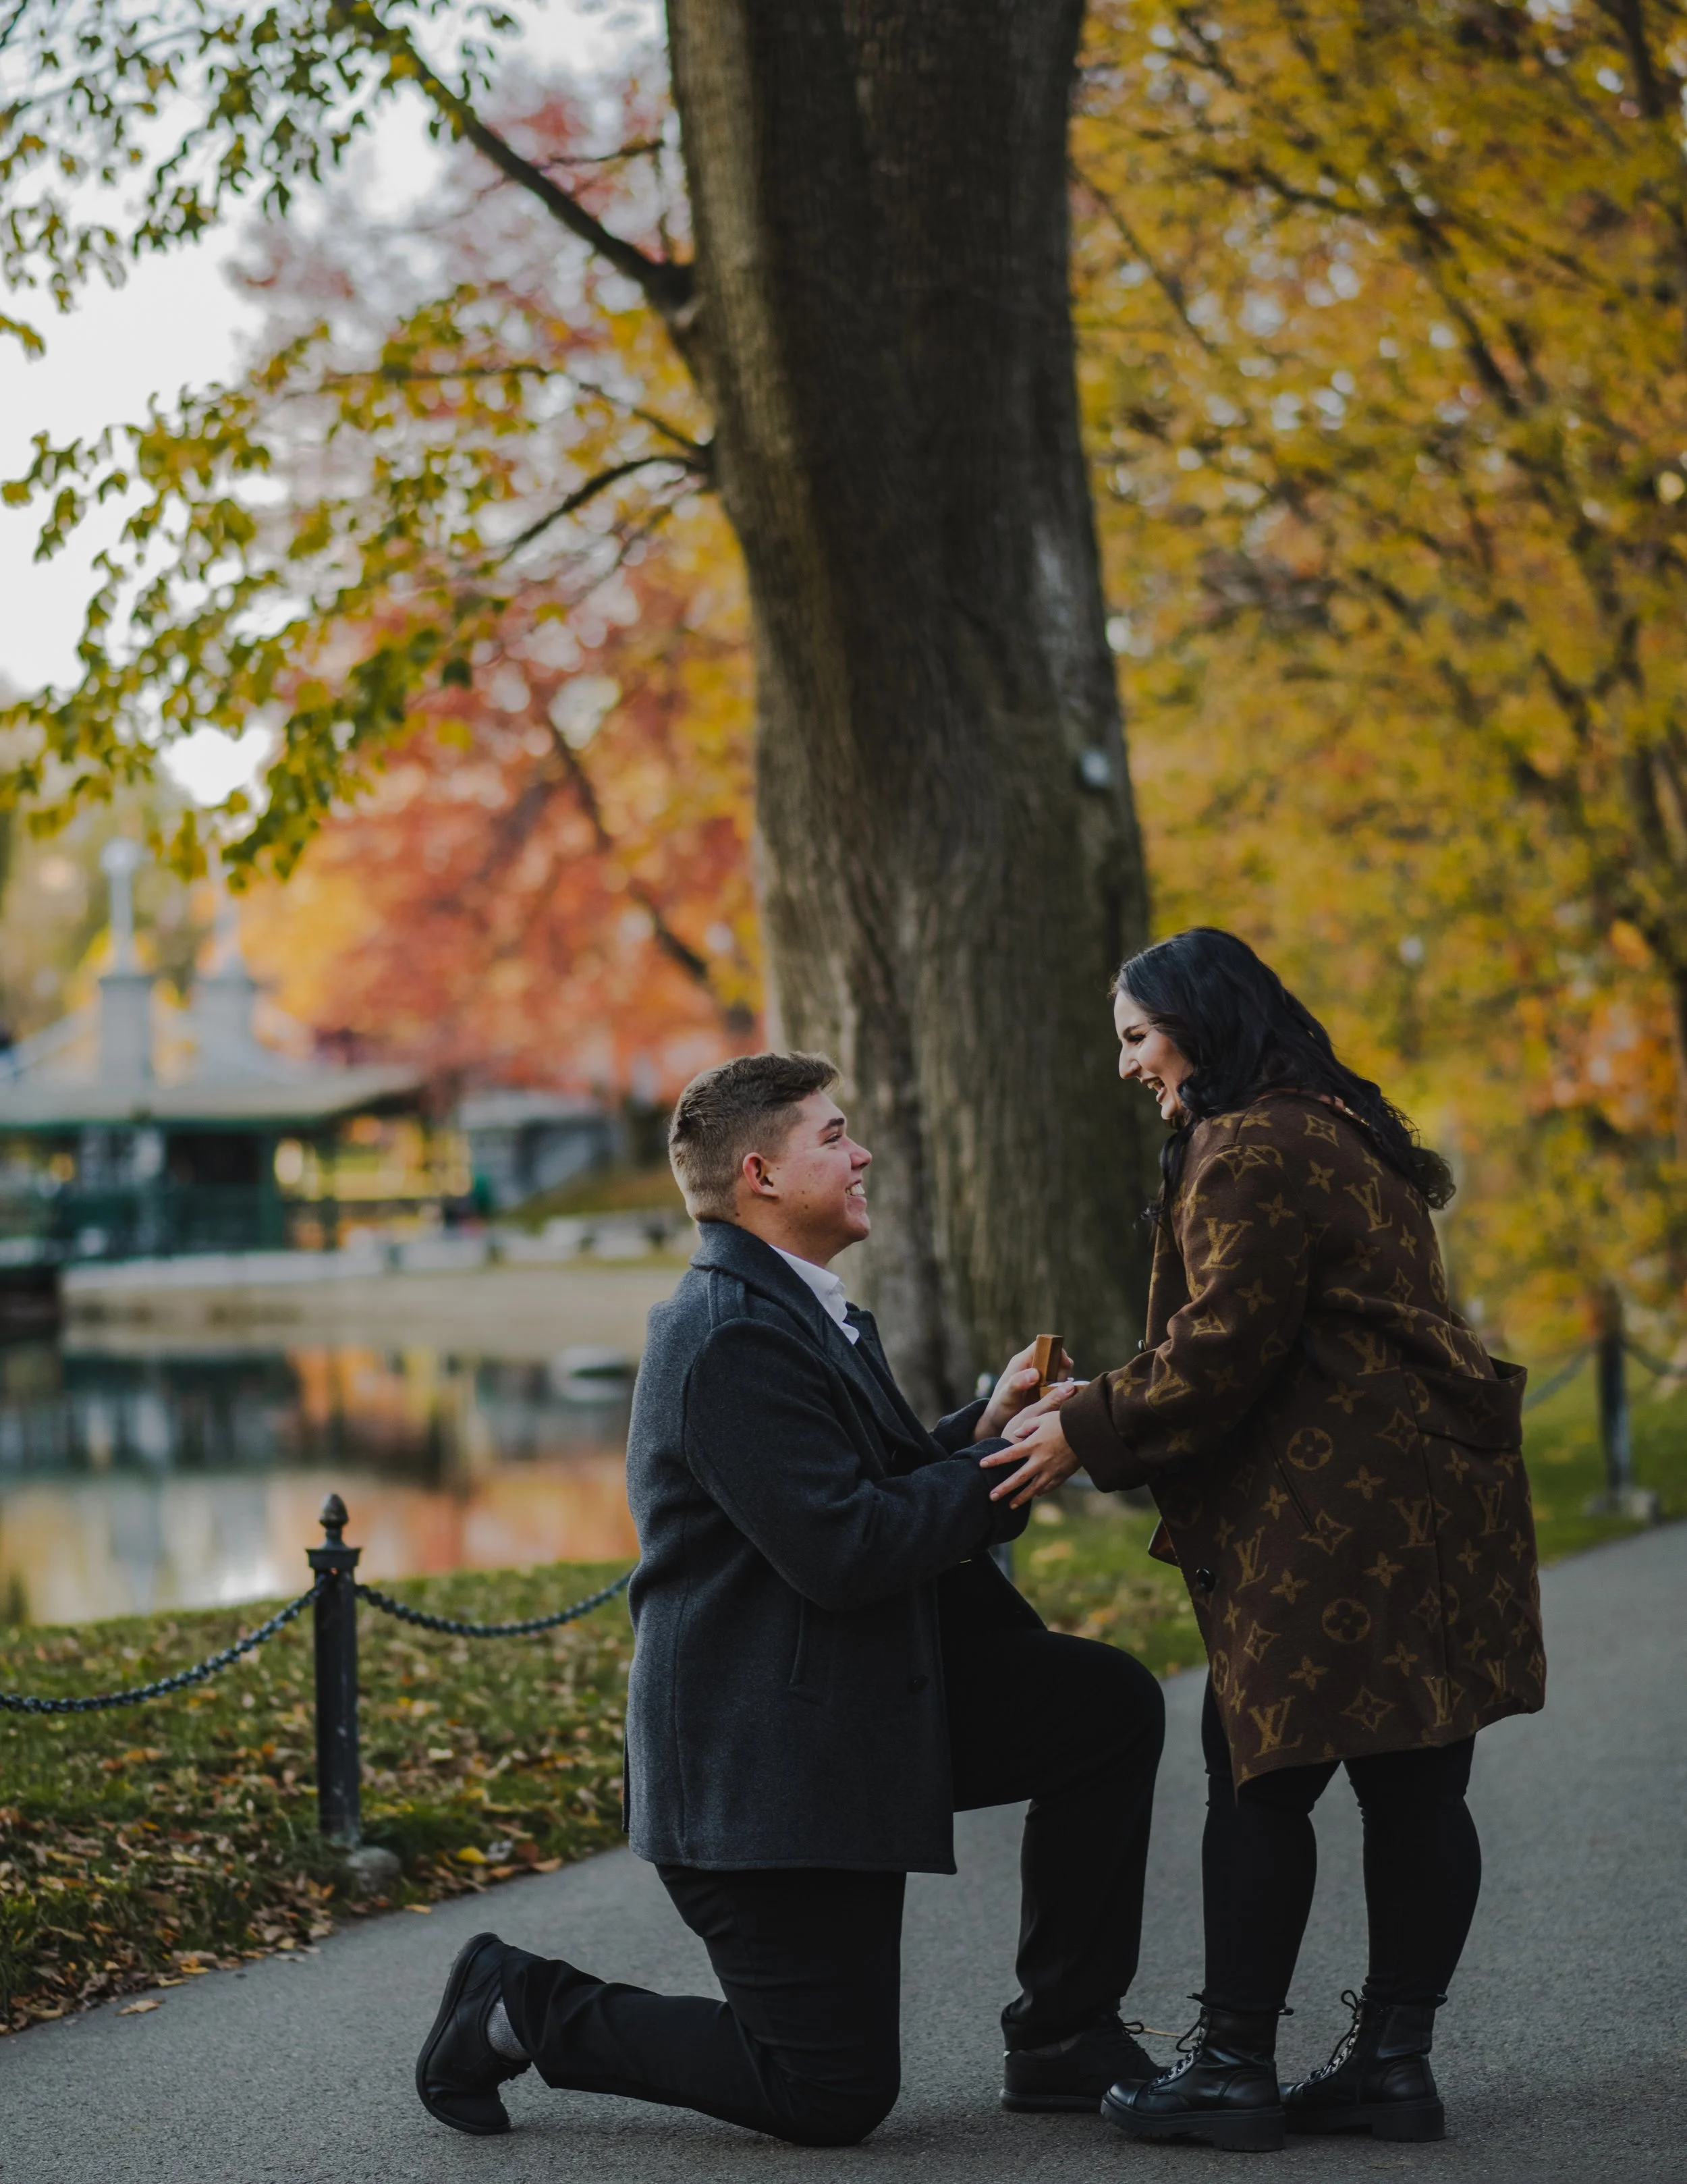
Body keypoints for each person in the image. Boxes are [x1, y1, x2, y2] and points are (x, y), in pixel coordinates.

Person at [416, 1050, 1165, 2146]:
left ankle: (1064, 2035)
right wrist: (1008, 1467)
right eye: (834, 1136)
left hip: (847, 1705)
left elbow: (856, 1486)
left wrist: (984, 1430)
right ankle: (519, 2004)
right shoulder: (729, 1335)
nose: (862, 1155)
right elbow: (848, 1549)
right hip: (763, 1766)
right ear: (760, 1175)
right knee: (828, 2092)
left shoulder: (796, 1308)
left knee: (1103, 1708)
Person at [991, 928, 1545, 2154]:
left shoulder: (1246, 1144)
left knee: (1257, 1768)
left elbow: (1226, 1344)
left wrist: (1084, 1429)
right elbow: (1285, 1326)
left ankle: (1232, 2068)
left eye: (1139, 1035)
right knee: (1416, 1780)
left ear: (1202, 1020)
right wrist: (1106, 1401)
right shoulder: (1337, 1123)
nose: (1127, 1063)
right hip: (1430, 1494)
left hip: (1339, 1509)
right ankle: (1391, 2066)